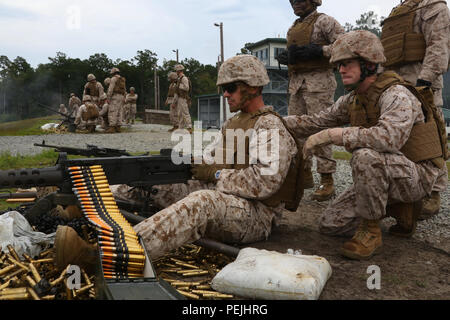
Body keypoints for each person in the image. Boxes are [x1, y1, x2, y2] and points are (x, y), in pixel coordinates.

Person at [54, 54, 304, 269]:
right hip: (230, 196)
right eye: (223, 89)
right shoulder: (234, 123)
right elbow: (212, 159)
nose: (225, 94)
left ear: (253, 86)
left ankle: (101, 256)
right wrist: (180, 164)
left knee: (202, 202)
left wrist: (215, 175)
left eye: (231, 88)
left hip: (258, 215)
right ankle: (87, 203)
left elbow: (264, 182)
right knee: (156, 183)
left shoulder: (270, 125)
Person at [284, 30, 447, 260]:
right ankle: (398, 208)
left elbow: (390, 138)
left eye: (347, 63)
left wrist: (335, 135)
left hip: (416, 175)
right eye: (339, 64)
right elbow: (316, 121)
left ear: (369, 64)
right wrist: (274, 120)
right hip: (388, 173)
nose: (341, 70)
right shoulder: (353, 99)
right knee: (330, 224)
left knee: (365, 156)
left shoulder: (396, 94)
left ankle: (371, 231)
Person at [380, 0, 450, 219]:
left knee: (429, 134)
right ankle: (405, 193)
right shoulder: (399, 10)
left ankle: (434, 192)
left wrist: (425, 81)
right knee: (400, 138)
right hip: (395, 82)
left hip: (421, 80)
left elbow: (439, 46)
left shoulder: (434, 6)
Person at [276, 0, 345, 202]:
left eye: (300, 0)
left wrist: (319, 51)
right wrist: (288, 57)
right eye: (292, 1)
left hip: (320, 83)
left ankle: (327, 179)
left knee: (321, 131)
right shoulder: (293, 28)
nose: (295, 4)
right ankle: (302, 175)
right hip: (297, 84)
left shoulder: (325, 22)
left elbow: (346, 45)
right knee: (295, 131)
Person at [172, 64, 193, 133]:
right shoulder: (179, 79)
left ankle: (189, 127)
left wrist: (179, 86)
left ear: (179, 71)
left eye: (176, 71)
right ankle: (181, 128)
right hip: (179, 98)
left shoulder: (184, 78)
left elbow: (187, 88)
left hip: (184, 98)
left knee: (185, 113)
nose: (176, 72)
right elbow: (177, 92)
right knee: (180, 114)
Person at [106, 67, 126, 133]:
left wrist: (108, 98)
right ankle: (118, 127)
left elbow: (110, 89)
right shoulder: (122, 79)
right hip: (121, 96)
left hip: (115, 96)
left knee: (112, 111)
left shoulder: (113, 79)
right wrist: (124, 98)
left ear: (113, 73)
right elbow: (124, 90)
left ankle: (112, 127)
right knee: (120, 111)